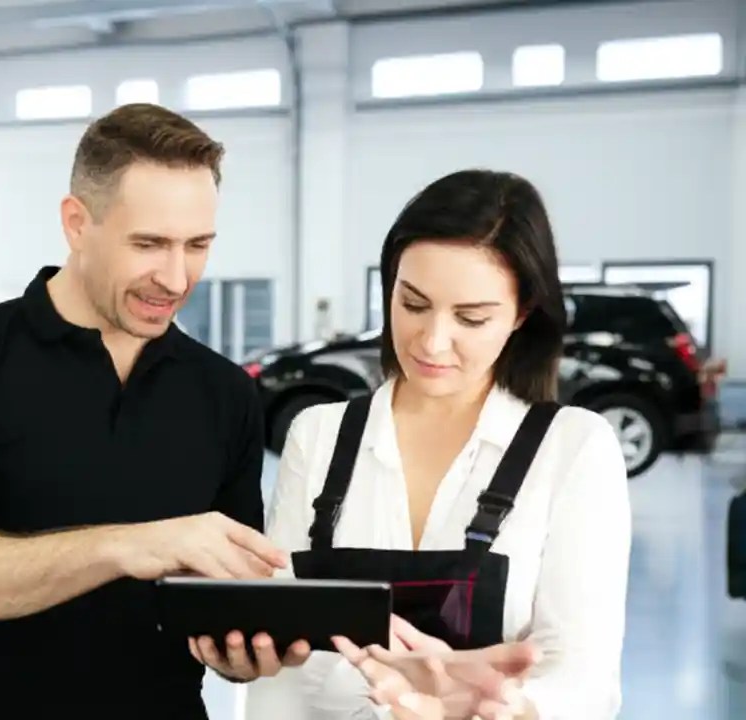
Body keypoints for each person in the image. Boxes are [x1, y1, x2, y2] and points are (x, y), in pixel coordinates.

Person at [0, 103, 308, 719]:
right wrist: (126, 547)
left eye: (198, 245)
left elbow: (221, 602)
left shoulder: (223, 392)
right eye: (149, 244)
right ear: (77, 223)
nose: (176, 276)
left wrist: (238, 648)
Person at [211, 169, 633, 718]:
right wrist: (243, 652)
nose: (433, 341)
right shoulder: (318, 436)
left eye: (471, 317)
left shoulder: (574, 449)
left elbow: (583, 677)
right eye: (413, 304)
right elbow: (282, 648)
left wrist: (504, 709)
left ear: (522, 313)